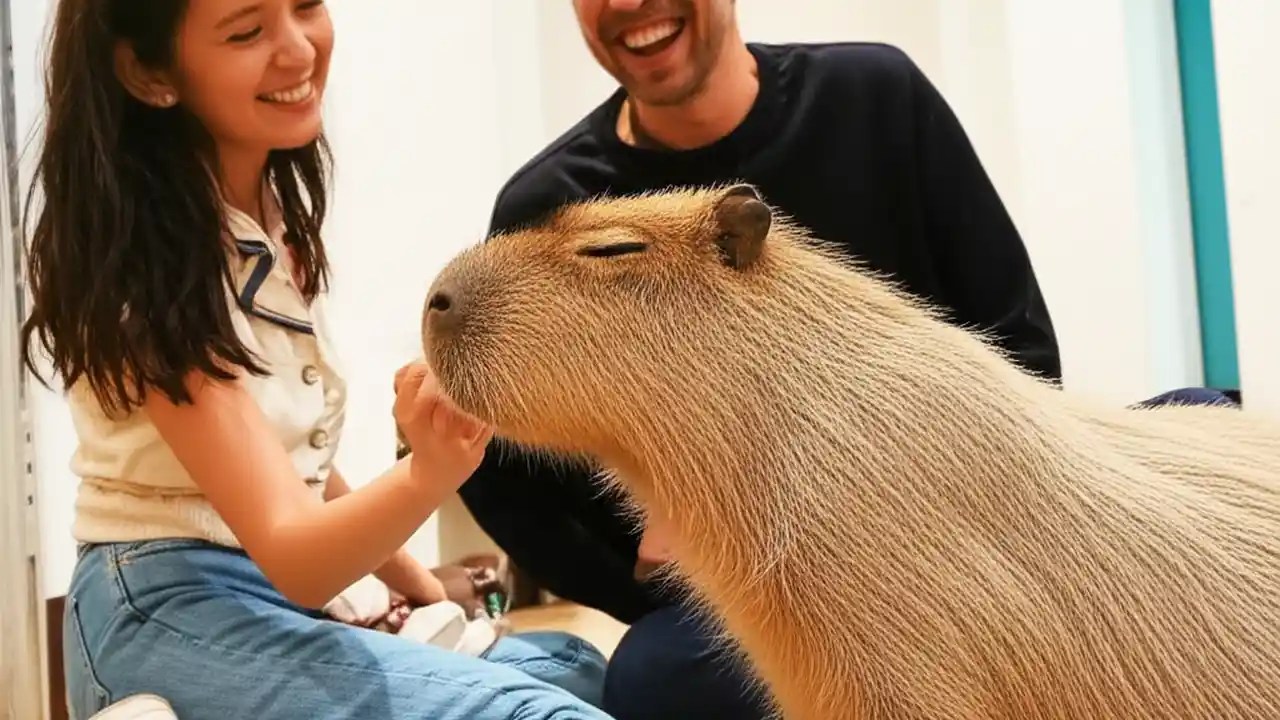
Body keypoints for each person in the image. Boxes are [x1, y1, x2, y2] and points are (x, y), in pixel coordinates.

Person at [458, 1, 1068, 718]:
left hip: (959, 549)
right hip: (751, 607)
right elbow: (499, 474)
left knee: (1200, 419)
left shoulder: (874, 97)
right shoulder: (550, 207)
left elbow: (1017, 346)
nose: (625, 5)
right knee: (659, 677)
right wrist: (670, 583)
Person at [18, 2, 611, 719]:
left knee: (575, 670)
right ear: (149, 72)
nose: (298, 49)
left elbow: (280, 468)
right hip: (165, 606)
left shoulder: (264, 220)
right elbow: (295, 556)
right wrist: (428, 473)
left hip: (270, 590)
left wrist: (415, 582)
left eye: (305, 6)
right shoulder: (149, 271)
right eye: (246, 32)